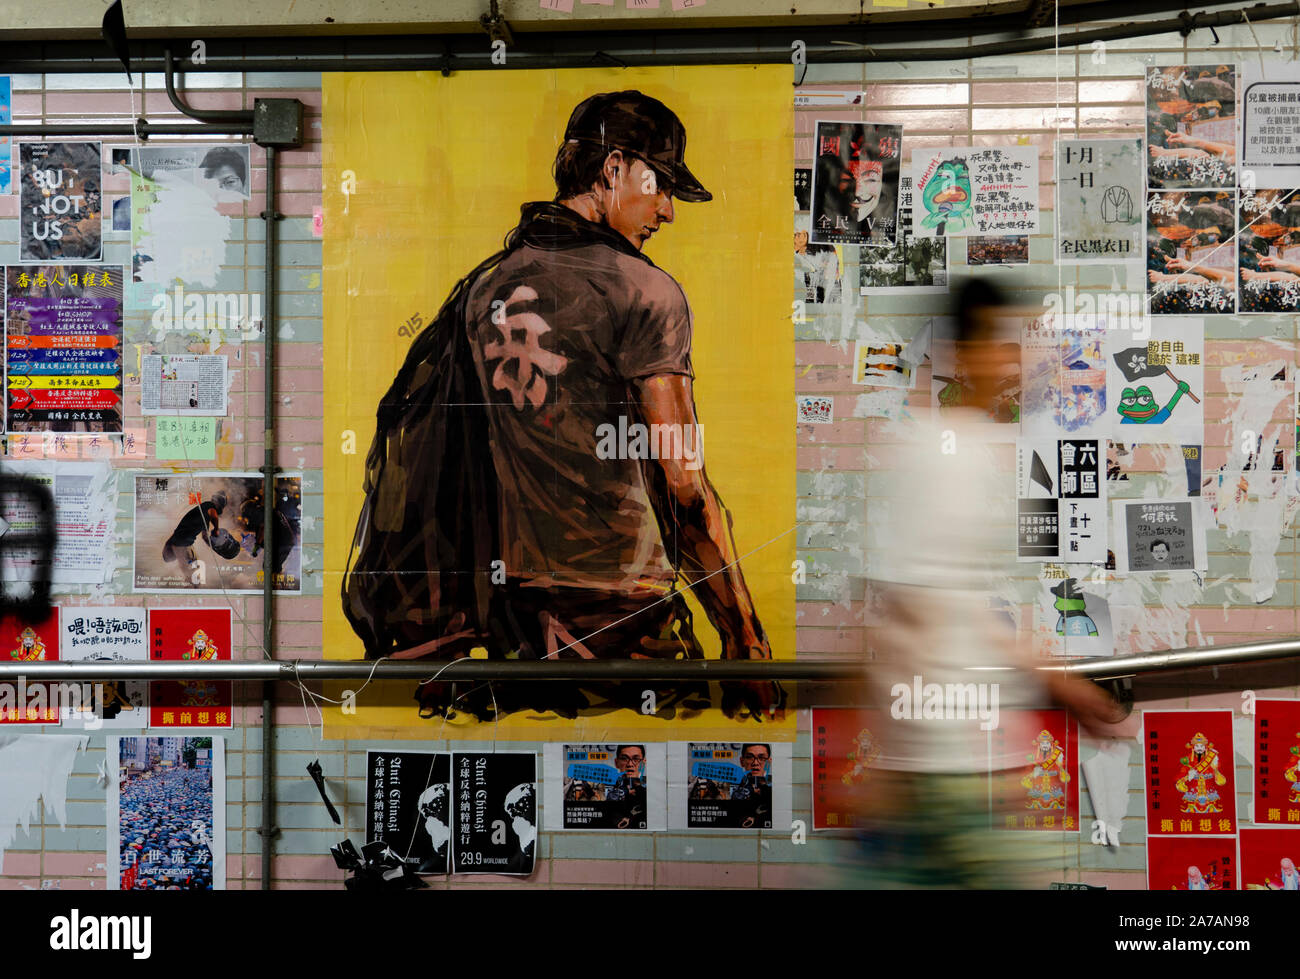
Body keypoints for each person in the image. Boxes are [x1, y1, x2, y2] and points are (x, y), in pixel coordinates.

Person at [344, 90, 782, 723]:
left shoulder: (484, 289)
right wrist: (744, 637)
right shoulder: (646, 293)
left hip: (511, 625)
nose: (667, 210)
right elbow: (684, 485)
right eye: (660, 186)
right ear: (613, 169)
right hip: (625, 621)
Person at [851, 278, 1124, 888]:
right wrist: (1059, 683)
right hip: (944, 757)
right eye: (1004, 343)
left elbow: (941, 601)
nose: (1015, 360)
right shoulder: (945, 454)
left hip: (954, 756)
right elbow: (918, 606)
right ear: (969, 352)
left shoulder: (960, 449)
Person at [161, 492, 227, 573]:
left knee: (192, 567)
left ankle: (188, 575)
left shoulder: (203, 513)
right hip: (182, 544)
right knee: (194, 573)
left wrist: (215, 547)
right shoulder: (209, 506)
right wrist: (216, 529)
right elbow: (214, 515)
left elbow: (205, 537)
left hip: (178, 542)